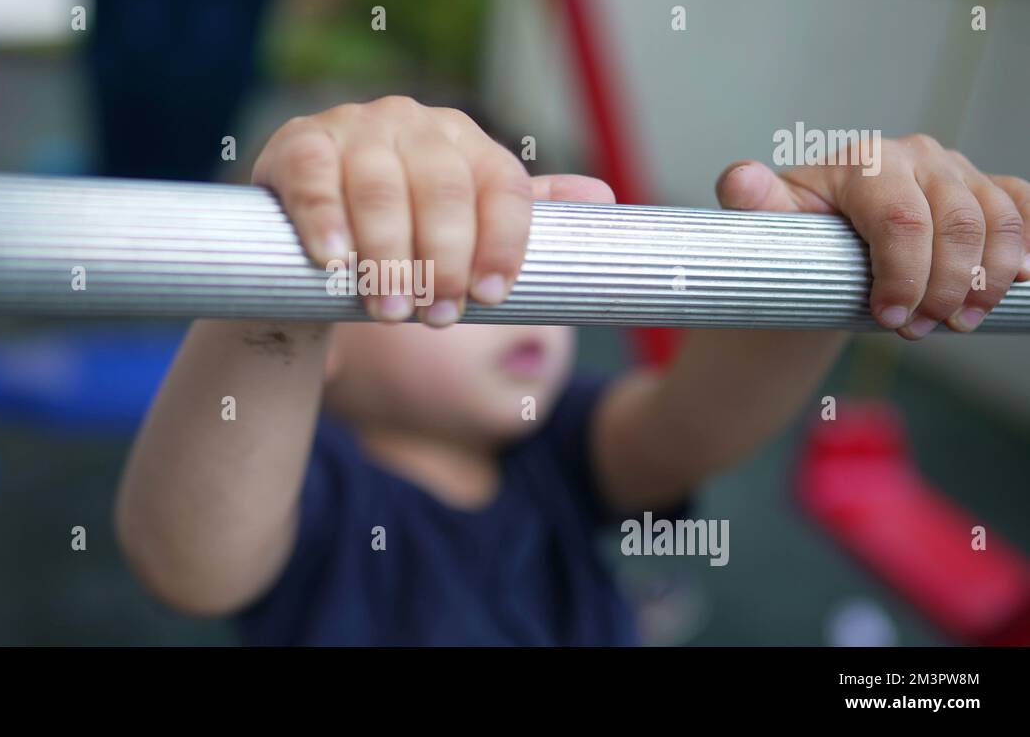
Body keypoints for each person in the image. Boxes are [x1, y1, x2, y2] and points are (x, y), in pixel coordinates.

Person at [115, 96, 1030, 645]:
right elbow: (189, 557)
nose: (523, 300)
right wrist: (286, 274)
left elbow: (699, 423)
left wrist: (834, 252)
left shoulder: (559, 447)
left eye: (538, 266)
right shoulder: (313, 498)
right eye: (462, 268)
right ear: (334, 329)